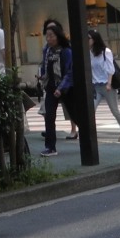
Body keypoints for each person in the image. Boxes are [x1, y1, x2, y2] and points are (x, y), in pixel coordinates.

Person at [38, 22, 79, 156]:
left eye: (51, 36)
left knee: (75, 115)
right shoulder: (47, 50)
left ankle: (87, 138)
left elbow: (69, 72)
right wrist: (42, 77)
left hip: (66, 88)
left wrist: (61, 88)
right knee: (49, 116)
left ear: (58, 36)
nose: (49, 39)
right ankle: (50, 147)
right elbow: (45, 67)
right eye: (47, 36)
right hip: (51, 87)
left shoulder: (66, 51)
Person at [88, 30, 120, 142]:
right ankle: (91, 134)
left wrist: (109, 83)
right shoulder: (89, 52)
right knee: (91, 110)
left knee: (114, 110)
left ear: (94, 40)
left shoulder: (106, 52)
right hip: (96, 87)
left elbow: (111, 69)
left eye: (88, 38)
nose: (87, 41)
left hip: (107, 86)